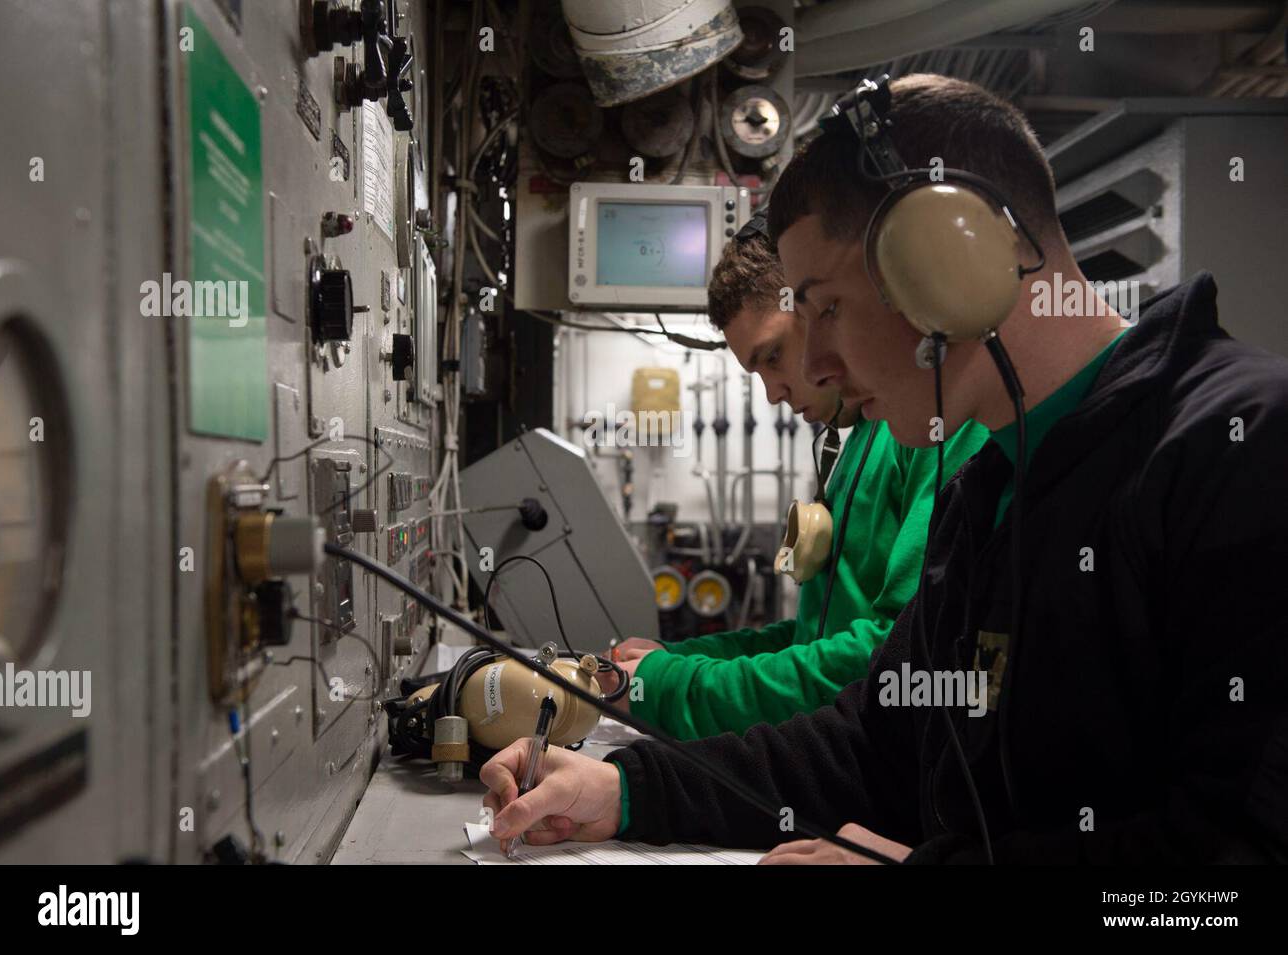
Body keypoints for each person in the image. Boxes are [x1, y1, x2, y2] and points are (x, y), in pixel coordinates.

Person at [481, 74, 1288, 863]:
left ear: (952, 257)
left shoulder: (1239, 446)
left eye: (826, 305)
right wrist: (625, 789)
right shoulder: (991, 490)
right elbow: (875, 744)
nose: (820, 362)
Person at [603, 226, 987, 740]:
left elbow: (893, 650)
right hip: (831, 745)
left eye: (774, 356)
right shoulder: (858, 439)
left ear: (819, 311)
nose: (773, 392)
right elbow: (817, 638)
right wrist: (680, 659)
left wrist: (677, 687)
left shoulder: (931, 427)